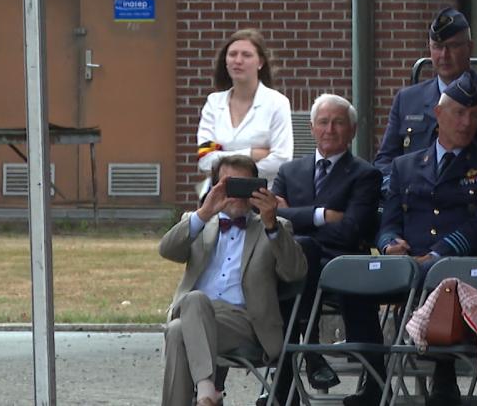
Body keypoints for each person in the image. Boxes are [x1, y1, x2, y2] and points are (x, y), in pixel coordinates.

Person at [378, 70, 477, 405]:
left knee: (436, 276)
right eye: (459, 113)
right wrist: (389, 244)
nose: (467, 123)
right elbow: (388, 222)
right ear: (438, 114)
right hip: (409, 262)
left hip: (458, 264)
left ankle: (443, 376)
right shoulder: (405, 165)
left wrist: (437, 256)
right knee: (351, 281)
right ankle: (374, 379)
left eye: (475, 116)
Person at [264, 94, 384, 406]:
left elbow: (350, 230)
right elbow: (270, 218)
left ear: (352, 130)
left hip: (340, 261)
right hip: (291, 261)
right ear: (312, 127)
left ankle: (299, 373)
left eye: (338, 122)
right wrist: (321, 215)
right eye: (323, 122)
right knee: (294, 257)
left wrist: (295, 215)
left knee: (303, 249)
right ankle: (300, 369)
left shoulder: (365, 175)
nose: (330, 129)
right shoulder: (289, 171)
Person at [159, 155, 308, 406]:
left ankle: (207, 391)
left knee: (188, 310)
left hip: (245, 322)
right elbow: (167, 250)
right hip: (195, 317)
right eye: (230, 186)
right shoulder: (198, 222)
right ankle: (208, 392)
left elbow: (295, 272)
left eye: (245, 186)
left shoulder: (275, 226)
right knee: (178, 329)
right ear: (216, 188)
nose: (238, 195)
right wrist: (204, 212)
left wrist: (271, 225)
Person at [373, 7, 477, 182]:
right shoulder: (407, 99)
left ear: (470, 47)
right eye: (438, 47)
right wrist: (402, 189)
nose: (444, 55)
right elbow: (384, 161)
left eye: (453, 46)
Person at [196, 29, 294, 183]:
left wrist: (228, 168)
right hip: (219, 198)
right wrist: (252, 153)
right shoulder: (214, 103)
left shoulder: (277, 103)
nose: (238, 60)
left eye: (246, 55)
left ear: (260, 62)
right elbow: (204, 159)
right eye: (233, 54)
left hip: (261, 196)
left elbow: (281, 159)